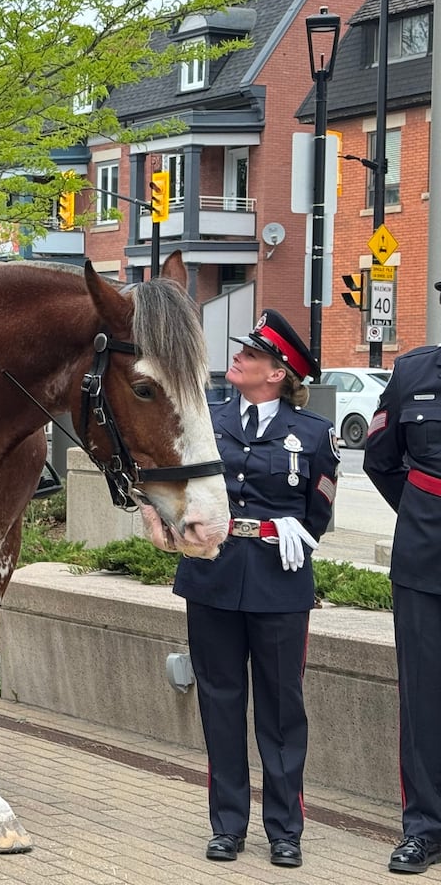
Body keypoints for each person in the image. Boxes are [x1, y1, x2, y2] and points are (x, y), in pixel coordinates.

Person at [172, 309, 337, 870]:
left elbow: (320, 512)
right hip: (213, 574)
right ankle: (227, 825)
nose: (237, 357)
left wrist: (296, 530)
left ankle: (285, 830)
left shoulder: (313, 434)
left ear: (277, 373)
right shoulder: (206, 420)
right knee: (220, 703)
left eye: (251, 354)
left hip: (277, 581)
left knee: (281, 708)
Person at [365, 283, 441, 875]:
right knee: (422, 700)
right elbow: (380, 459)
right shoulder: (413, 373)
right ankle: (424, 827)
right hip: (423, 562)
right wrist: (420, 515)